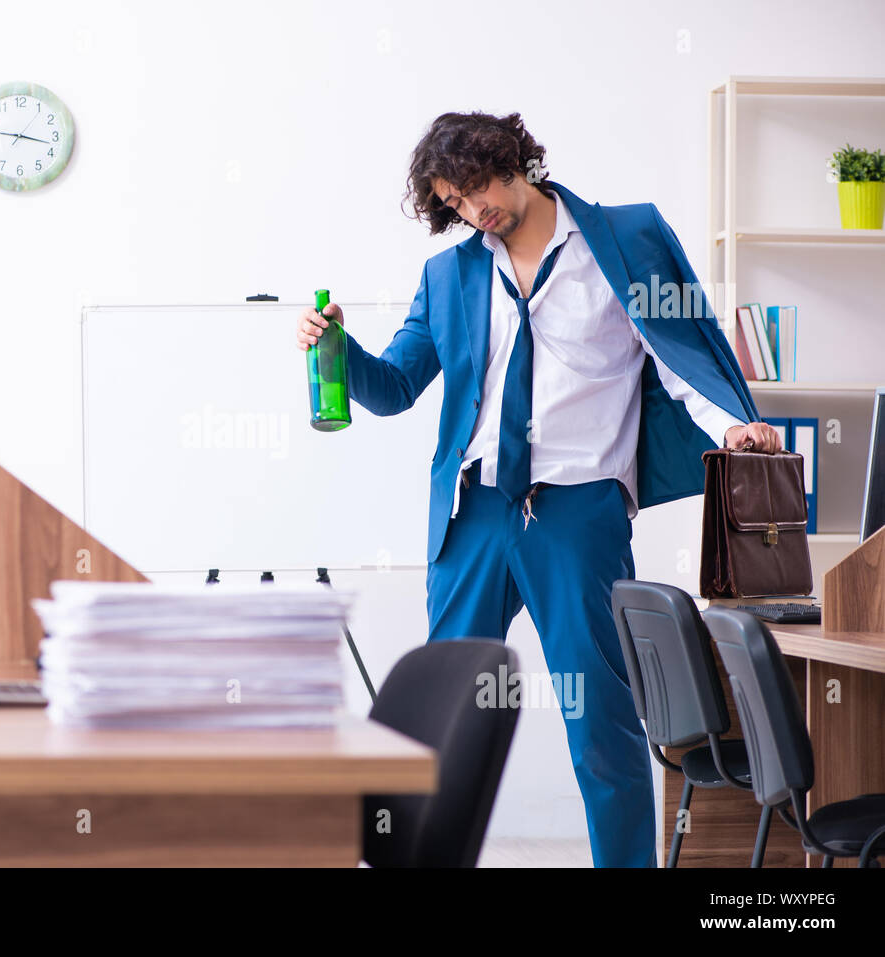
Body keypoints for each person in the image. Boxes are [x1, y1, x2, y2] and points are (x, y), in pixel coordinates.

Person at [294, 110, 781, 868]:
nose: (471, 209)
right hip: (474, 514)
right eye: (453, 203)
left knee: (602, 728)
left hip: (577, 516)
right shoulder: (449, 275)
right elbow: (393, 388)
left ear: (512, 157)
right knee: (437, 719)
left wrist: (734, 428)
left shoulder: (624, 239)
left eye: (475, 186)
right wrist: (335, 347)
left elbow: (681, 352)